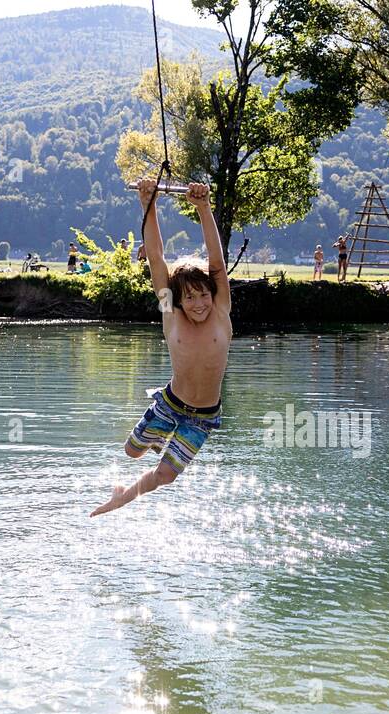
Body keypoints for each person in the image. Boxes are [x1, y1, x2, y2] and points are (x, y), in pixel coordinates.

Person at [90, 180, 232, 516]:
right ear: (178, 301)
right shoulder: (171, 314)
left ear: (213, 294)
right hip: (170, 403)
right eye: (191, 297)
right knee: (131, 452)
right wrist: (148, 203)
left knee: (166, 475)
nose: (199, 303)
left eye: (204, 294)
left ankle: (124, 495)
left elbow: (217, 263)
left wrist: (203, 207)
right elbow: (156, 258)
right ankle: (154, 441)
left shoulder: (221, 312)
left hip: (204, 417)